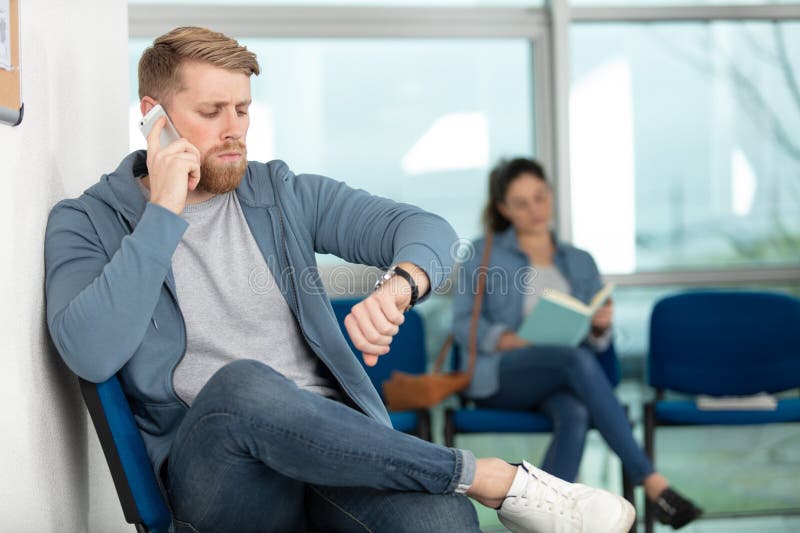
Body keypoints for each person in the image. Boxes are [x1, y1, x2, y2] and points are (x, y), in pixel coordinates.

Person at [44, 27, 635, 533]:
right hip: (220, 475)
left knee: (441, 518)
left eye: (243, 109)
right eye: (211, 112)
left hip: (338, 454)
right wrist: (163, 214)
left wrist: (399, 285)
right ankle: (490, 478)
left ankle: (463, 485)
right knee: (244, 385)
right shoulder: (88, 221)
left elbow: (425, 229)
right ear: (154, 116)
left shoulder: (280, 192)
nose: (234, 131)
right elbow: (89, 353)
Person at [452, 157, 704, 530]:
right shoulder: (482, 253)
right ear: (504, 209)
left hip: (560, 375)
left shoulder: (580, 261)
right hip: (503, 375)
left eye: (540, 197)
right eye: (521, 203)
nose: (534, 210)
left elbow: (597, 345)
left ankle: (545, 521)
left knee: (575, 412)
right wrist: (507, 339)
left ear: (551, 196)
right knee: (573, 360)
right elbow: (461, 324)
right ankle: (652, 482)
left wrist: (600, 328)